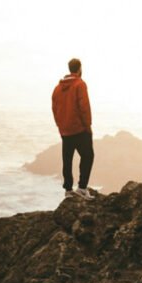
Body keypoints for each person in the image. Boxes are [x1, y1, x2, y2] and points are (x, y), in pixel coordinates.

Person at [52, 57, 95, 199]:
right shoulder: (79, 84)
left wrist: (60, 126)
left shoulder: (58, 88)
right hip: (79, 129)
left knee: (67, 159)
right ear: (79, 69)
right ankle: (82, 188)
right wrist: (88, 126)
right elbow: (84, 107)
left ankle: (68, 190)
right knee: (88, 156)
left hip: (65, 130)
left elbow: (54, 109)